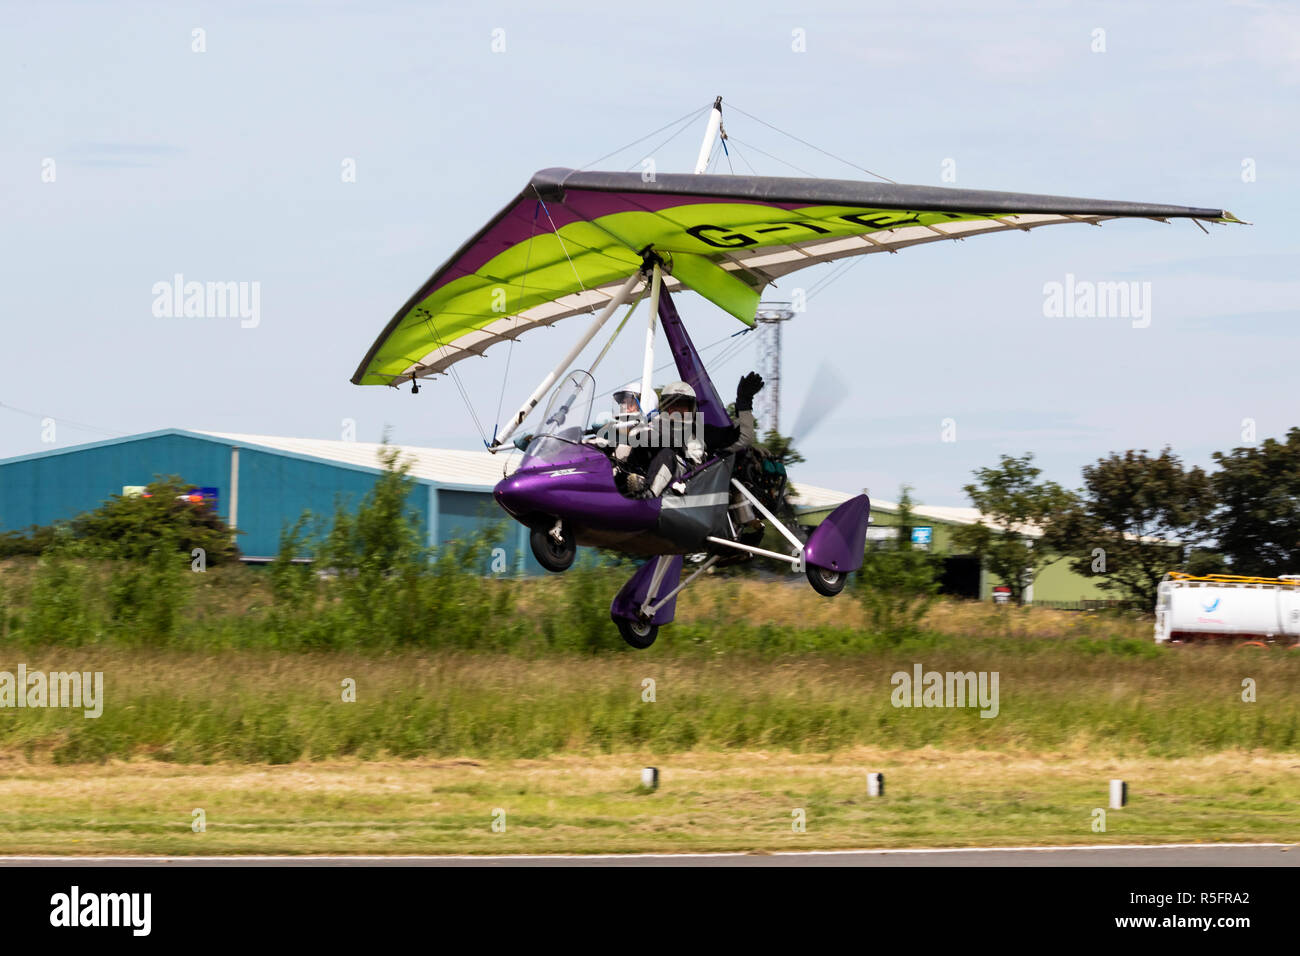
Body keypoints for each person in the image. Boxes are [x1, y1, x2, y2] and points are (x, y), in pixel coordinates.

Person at [625, 372, 764, 498]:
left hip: (687, 482)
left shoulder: (701, 432)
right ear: (665, 408)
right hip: (643, 469)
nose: (677, 410)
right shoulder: (653, 423)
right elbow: (635, 437)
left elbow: (744, 437)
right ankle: (617, 487)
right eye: (673, 405)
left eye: (682, 406)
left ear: (692, 409)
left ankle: (648, 495)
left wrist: (744, 402)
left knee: (666, 453)